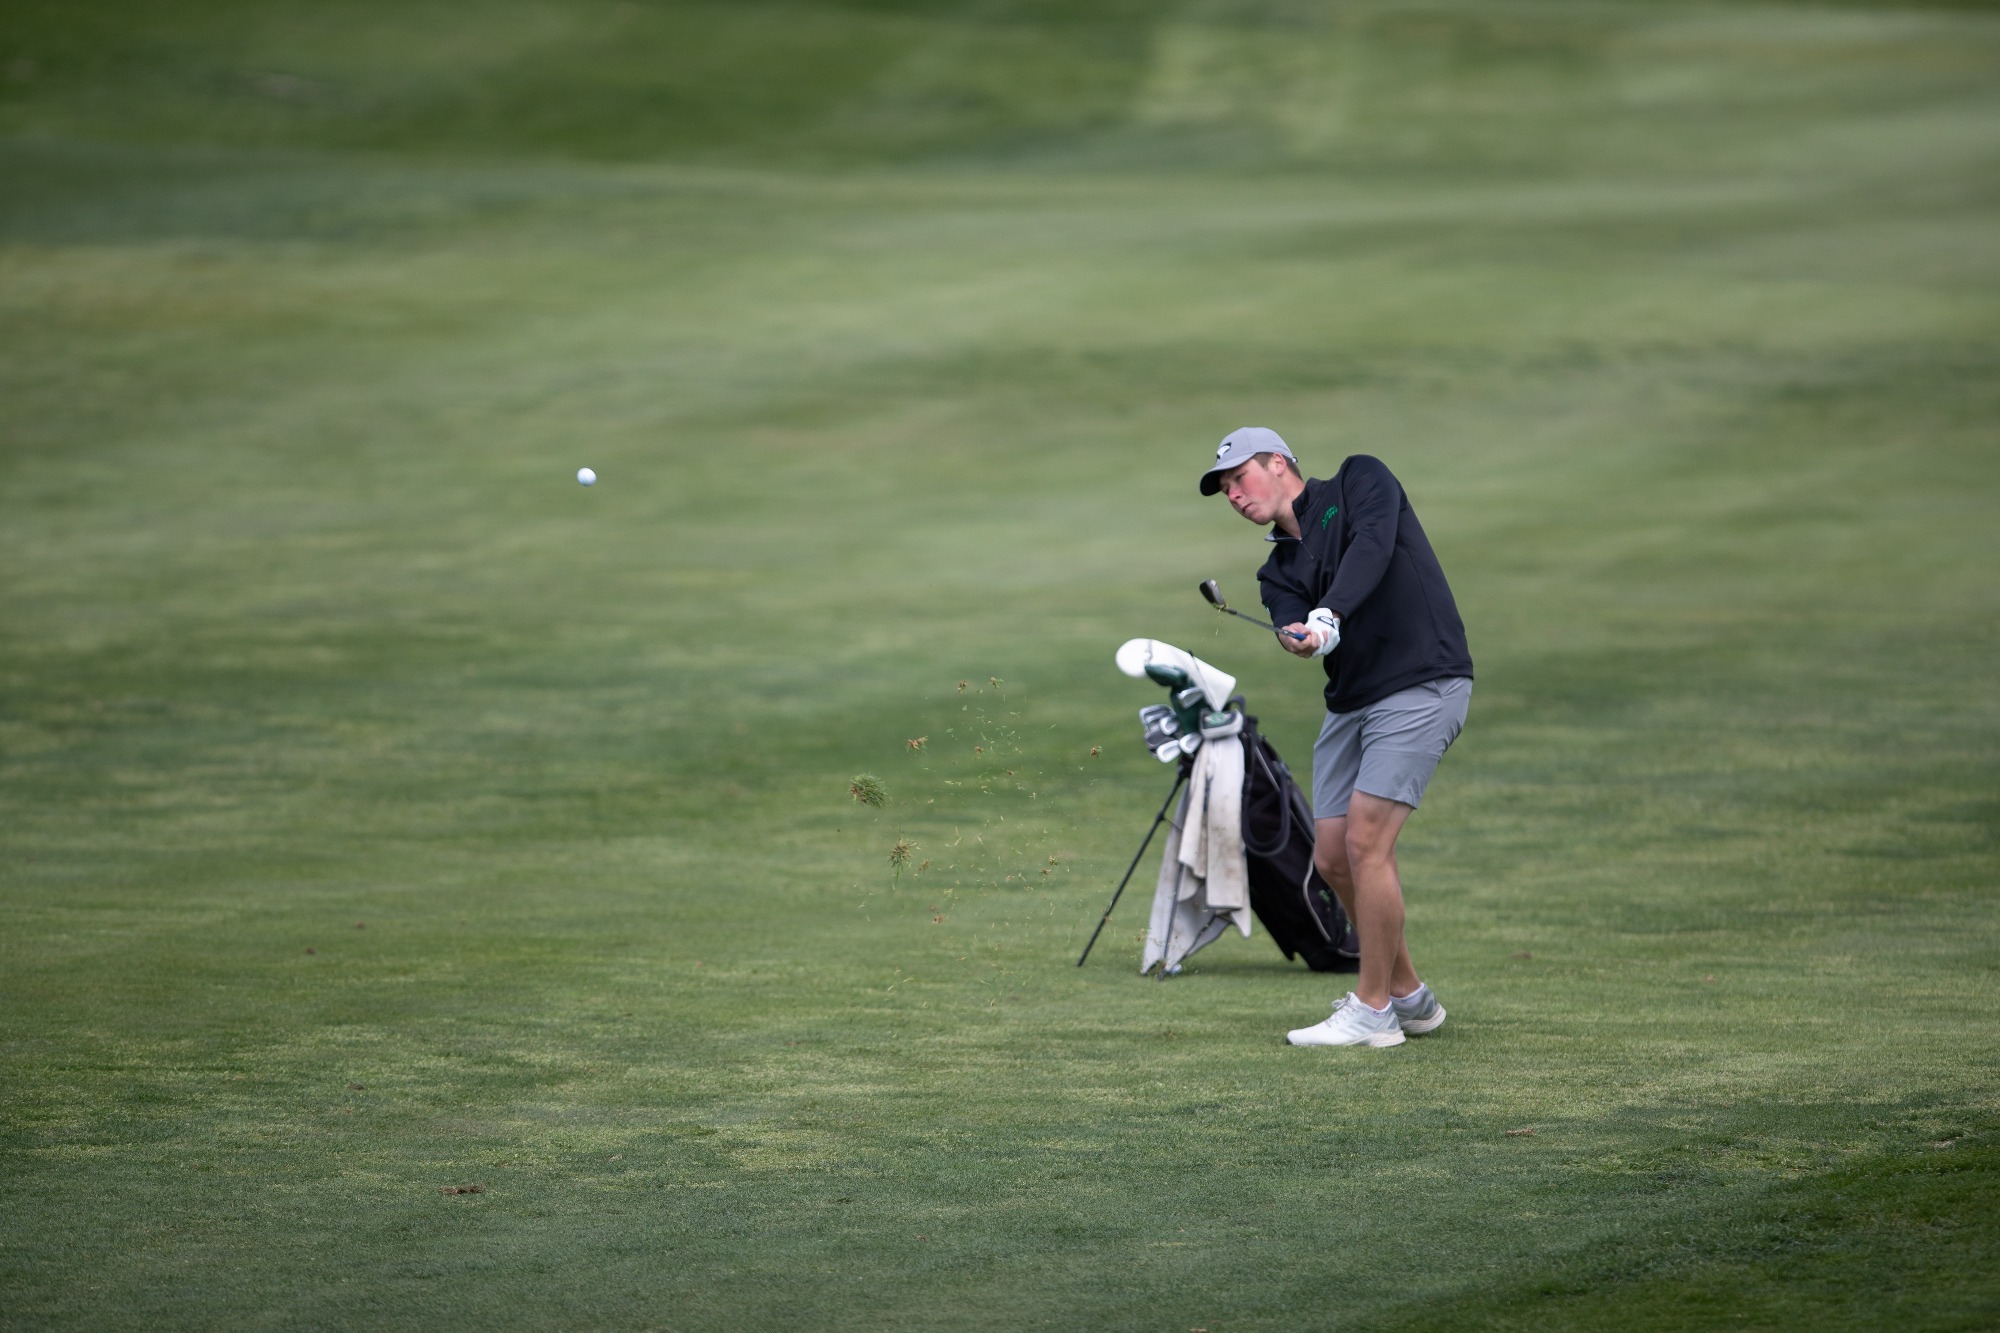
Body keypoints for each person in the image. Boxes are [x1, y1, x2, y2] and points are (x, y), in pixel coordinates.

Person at [1200, 427, 1473, 1048]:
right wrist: (1299, 635)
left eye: (1240, 478)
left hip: (1421, 679)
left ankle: (1373, 1009)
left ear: (1278, 462)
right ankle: (1409, 995)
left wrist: (1330, 615)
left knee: (1366, 841)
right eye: (1225, 490)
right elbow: (1289, 621)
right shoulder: (1276, 571)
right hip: (1351, 703)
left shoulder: (1359, 480)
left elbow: (1371, 548)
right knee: (1330, 856)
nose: (1235, 495)